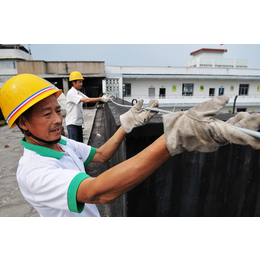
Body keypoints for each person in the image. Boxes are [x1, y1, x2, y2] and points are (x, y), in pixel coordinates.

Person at [1, 73, 260, 217]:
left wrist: (126, 123)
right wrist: (173, 138)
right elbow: (97, 192)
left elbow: (101, 155)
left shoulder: (61, 143)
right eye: (47, 115)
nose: (58, 119)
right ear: (23, 123)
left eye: (58, 111)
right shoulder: (34, 172)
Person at [66, 71, 110, 142]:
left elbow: (89, 99)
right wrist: (101, 98)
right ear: (73, 83)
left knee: (79, 145)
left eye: (81, 82)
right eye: (79, 82)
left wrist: (102, 99)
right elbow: (85, 100)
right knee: (74, 146)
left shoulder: (78, 92)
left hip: (77, 123)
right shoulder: (71, 93)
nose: (81, 84)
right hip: (72, 124)